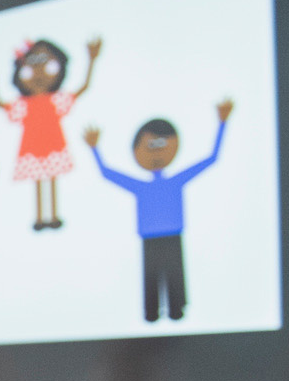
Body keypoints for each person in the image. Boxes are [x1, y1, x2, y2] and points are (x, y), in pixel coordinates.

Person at [83, 100, 234, 322]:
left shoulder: (176, 181)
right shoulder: (141, 187)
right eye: (149, 145)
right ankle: (151, 312)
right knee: (151, 277)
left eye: (162, 144)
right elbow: (107, 173)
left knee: (174, 275)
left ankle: (176, 309)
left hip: (173, 234)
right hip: (149, 238)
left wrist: (222, 123)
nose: (156, 152)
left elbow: (211, 158)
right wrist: (94, 148)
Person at [0, 37, 102, 231]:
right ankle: (39, 217)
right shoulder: (24, 105)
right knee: (38, 179)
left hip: (52, 143)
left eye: (49, 66)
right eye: (29, 69)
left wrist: (92, 59)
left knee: (51, 177)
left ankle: (52, 216)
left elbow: (82, 88)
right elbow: (2, 105)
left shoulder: (56, 100)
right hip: (33, 144)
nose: (39, 74)